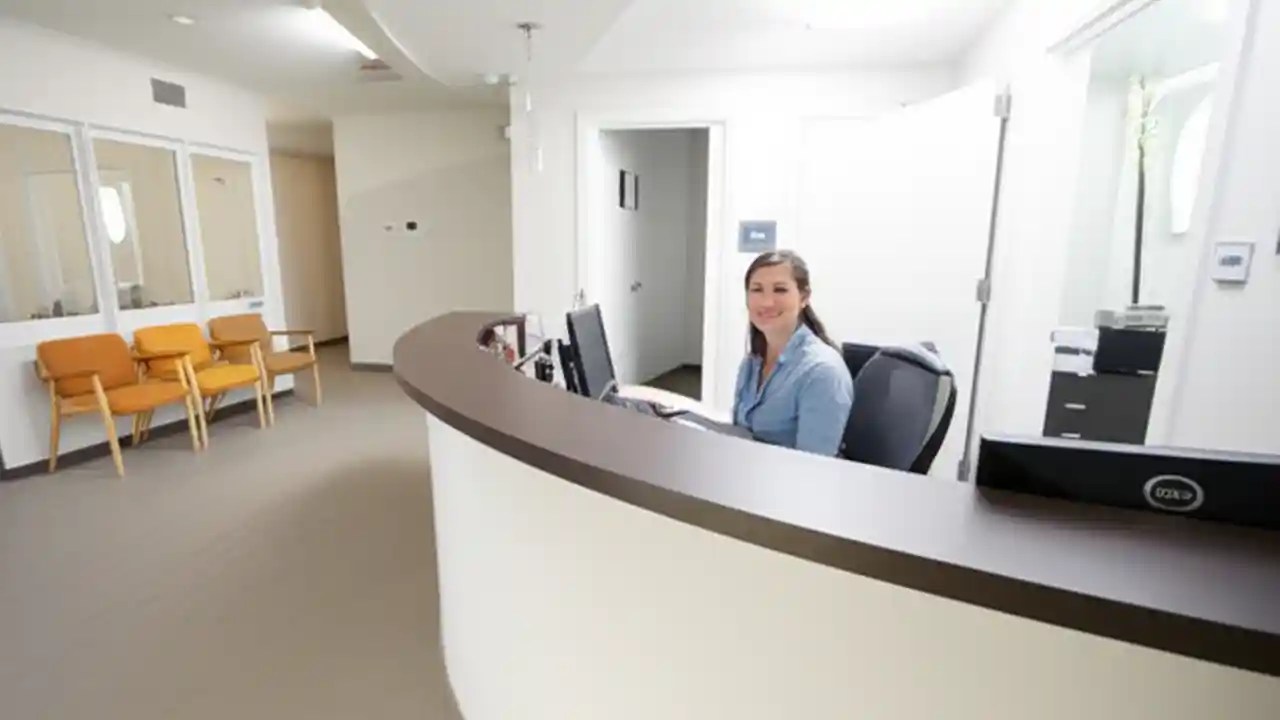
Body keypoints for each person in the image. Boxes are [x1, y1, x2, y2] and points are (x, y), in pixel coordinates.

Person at [733, 250, 853, 457]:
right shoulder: (752, 363)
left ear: (804, 297)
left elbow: (812, 468)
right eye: (756, 290)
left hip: (789, 485)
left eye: (780, 290)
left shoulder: (822, 372)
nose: (766, 302)